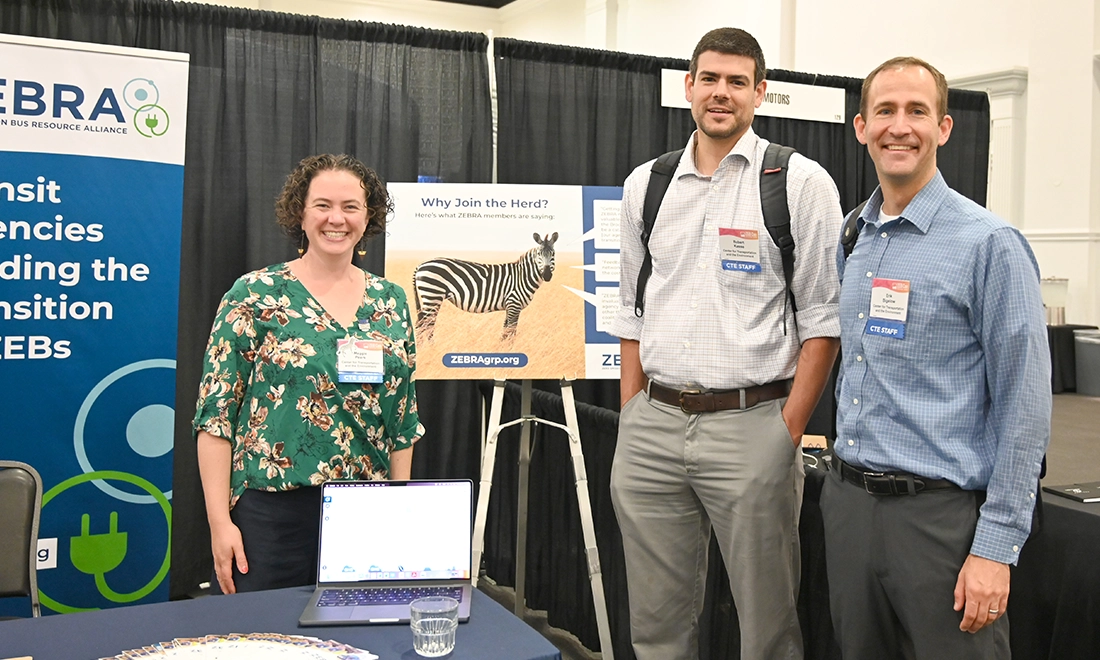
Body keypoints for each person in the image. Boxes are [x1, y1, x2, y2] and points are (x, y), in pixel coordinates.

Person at [609, 27, 843, 659]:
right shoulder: (645, 185)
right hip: (651, 429)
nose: (721, 93)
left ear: (760, 92)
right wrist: (633, 414)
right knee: (655, 626)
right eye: (709, 78)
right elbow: (631, 311)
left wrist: (786, 429)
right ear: (688, 86)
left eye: (737, 81)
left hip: (753, 425)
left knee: (766, 627)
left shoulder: (797, 181)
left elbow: (823, 321)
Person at [822, 57, 1051, 659]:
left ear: (944, 128)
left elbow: (1024, 410)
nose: (901, 126)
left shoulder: (989, 246)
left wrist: (996, 546)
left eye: (917, 111)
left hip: (940, 524)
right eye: (886, 111)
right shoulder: (854, 235)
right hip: (848, 506)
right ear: (861, 127)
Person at [193, 154, 423, 595]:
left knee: (357, 639)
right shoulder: (254, 294)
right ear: (300, 212)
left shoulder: (390, 300)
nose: (336, 219)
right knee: (269, 640)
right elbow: (215, 417)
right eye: (322, 205)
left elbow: (402, 419)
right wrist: (219, 523)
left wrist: (400, 511)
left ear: (368, 216)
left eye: (351, 206)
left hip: (366, 513)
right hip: (272, 515)